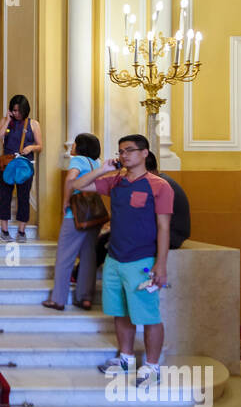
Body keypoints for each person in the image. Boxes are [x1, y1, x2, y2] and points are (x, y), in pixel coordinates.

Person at [73, 133, 174, 384]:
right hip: (114, 258)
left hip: (141, 261)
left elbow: (164, 227)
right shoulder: (115, 181)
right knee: (120, 312)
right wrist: (102, 169)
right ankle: (126, 358)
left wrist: (161, 264)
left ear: (144, 153)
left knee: (149, 315)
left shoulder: (159, 186)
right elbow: (79, 185)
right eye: (120, 151)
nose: (124, 155)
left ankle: (152, 366)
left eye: (129, 150)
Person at [42, 133, 102, 311]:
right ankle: (85, 298)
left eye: (74, 143)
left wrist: (66, 201)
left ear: (81, 146)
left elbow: (70, 179)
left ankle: (58, 299)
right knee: (89, 257)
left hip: (75, 215)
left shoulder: (78, 161)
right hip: (94, 216)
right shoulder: (96, 163)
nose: (72, 147)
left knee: (64, 256)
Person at [0, 95, 42, 240]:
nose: (16, 113)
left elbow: (40, 146)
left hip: (24, 166)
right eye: (14, 110)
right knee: (5, 196)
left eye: (19, 111)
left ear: (25, 110)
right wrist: (7, 120)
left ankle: (22, 231)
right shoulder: (6, 121)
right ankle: (4, 230)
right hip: (7, 164)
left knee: (23, 197)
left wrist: (31, 147)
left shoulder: (33, 124)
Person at [145, 151, 191, 248]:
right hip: (169, 234)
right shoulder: (158, 181)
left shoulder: (162, 185)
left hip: (173, 238)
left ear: (150, 172)